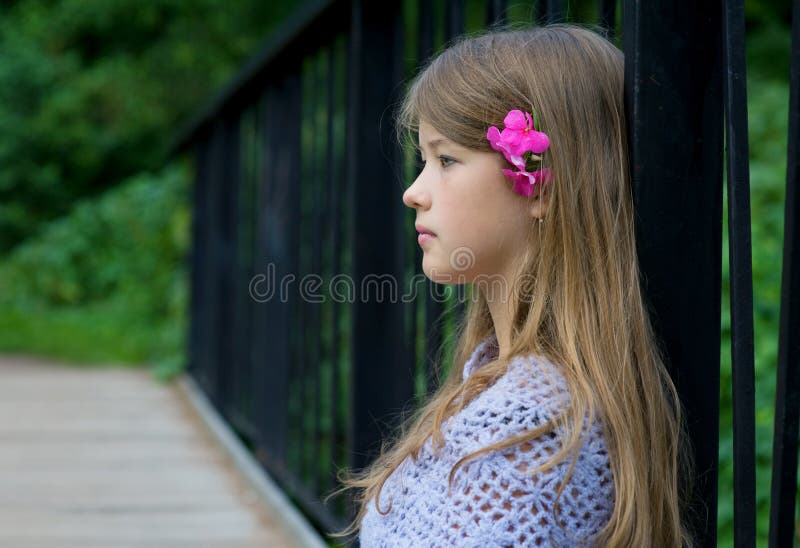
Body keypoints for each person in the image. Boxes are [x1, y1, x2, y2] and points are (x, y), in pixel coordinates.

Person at [330, 22, 693, 547]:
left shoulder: (527, 440)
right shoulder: (500, 381)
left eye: (446, 159)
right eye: (423, 160)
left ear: (541, 183)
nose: (414, 192)